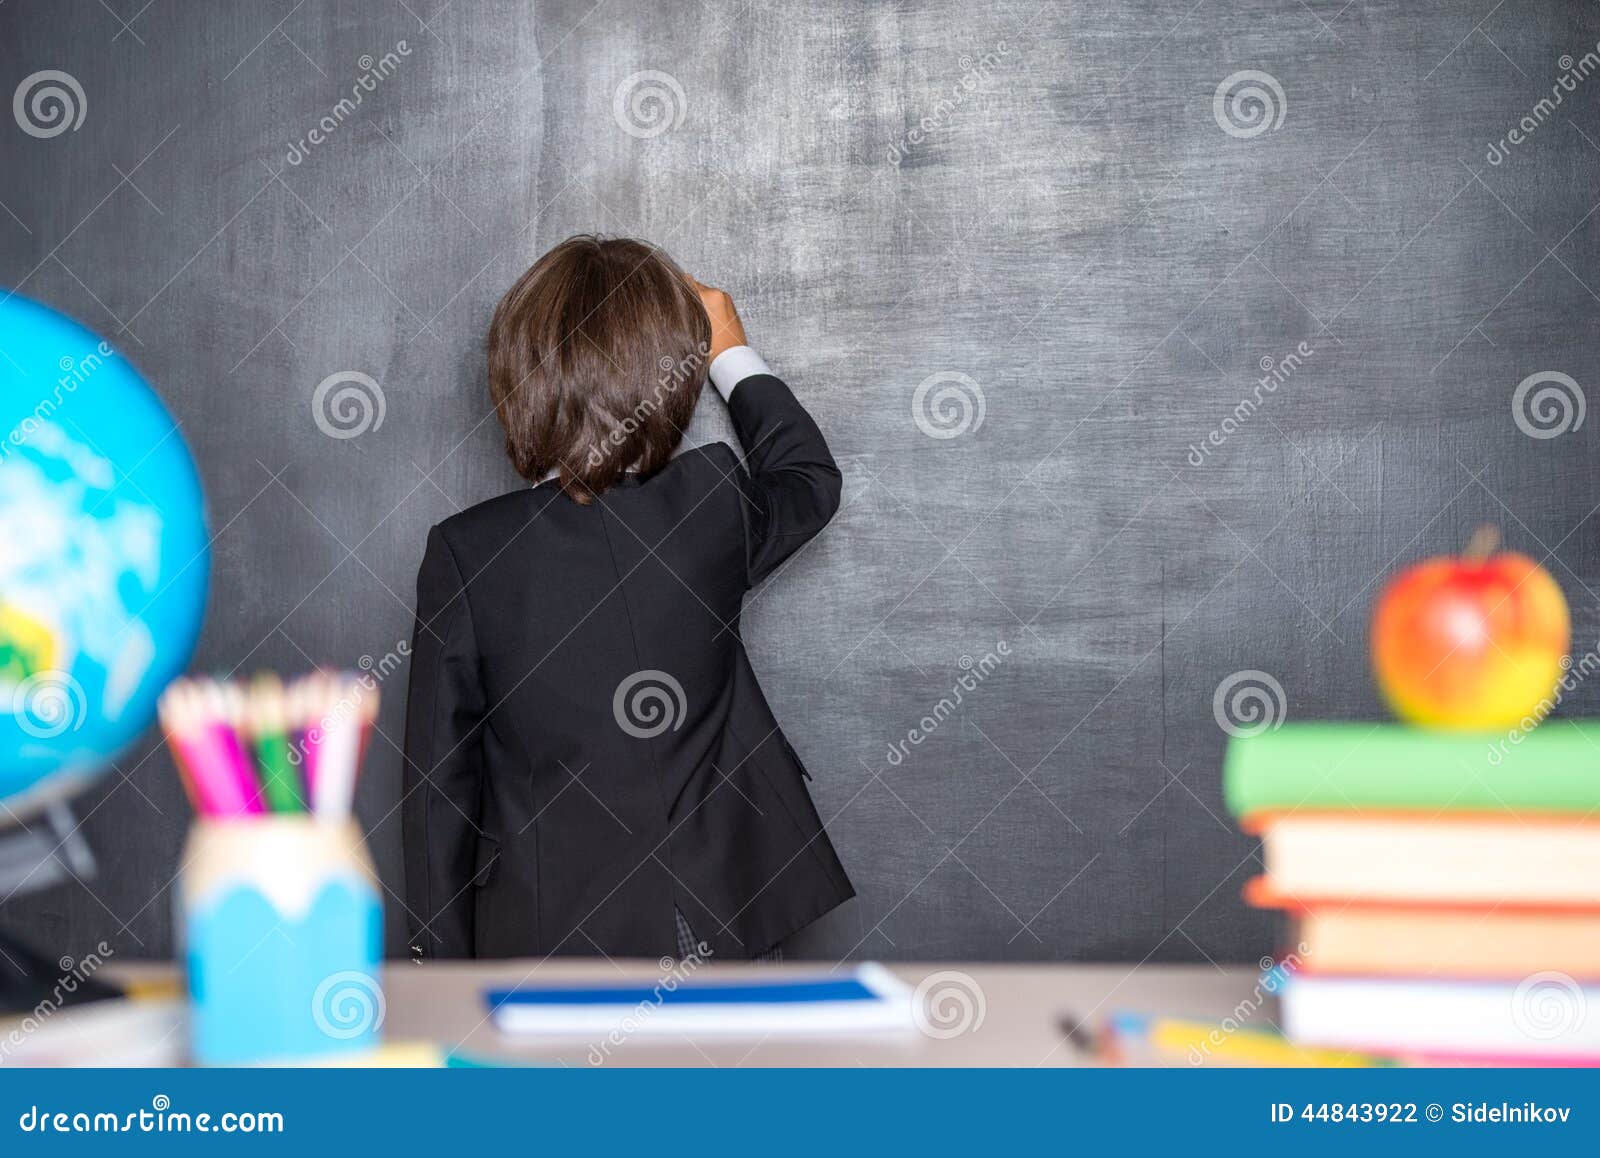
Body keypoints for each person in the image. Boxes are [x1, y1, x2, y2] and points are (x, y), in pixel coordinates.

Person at [401, 235, 854, 961]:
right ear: (668, 379)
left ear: (515, 376)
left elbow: (437, 789)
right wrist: (729, 348)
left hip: (552, 939)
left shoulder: (469, 554)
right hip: (721, 915)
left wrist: (440, 970)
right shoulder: (711, 503)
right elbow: (806, 477)